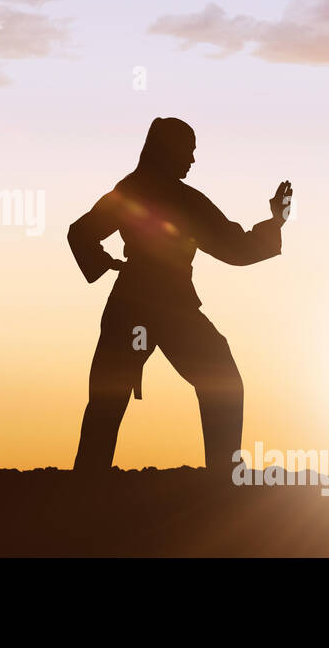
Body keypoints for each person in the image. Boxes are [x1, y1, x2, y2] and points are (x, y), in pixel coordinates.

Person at [68, 116, 292, 476]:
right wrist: (276, 223)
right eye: (187, 152)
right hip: (168, 307)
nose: (191, 160)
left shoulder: (130, 190)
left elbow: (80, 233)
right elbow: (233, 247)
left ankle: (86, 485)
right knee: (221, 380)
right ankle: (224, 478)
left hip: (135, 304)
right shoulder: (182, 200)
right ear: (168, 151)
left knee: (107, 403)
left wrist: (104, 263)